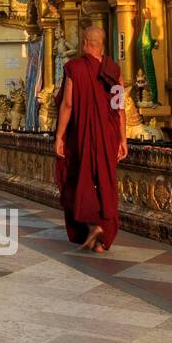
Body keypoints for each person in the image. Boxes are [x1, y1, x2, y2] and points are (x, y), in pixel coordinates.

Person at [54, 25, 126, 253]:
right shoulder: (114, 70)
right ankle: (101, 239)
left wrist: (59, 136)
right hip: (108, 136)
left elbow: (68, 104)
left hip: (82, 135)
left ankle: (93, 225)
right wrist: (123, 139)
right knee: (104, 181)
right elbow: (120, 108)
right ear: (102, 44)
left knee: (79, 179)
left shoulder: (74, 69)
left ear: (85, 42)